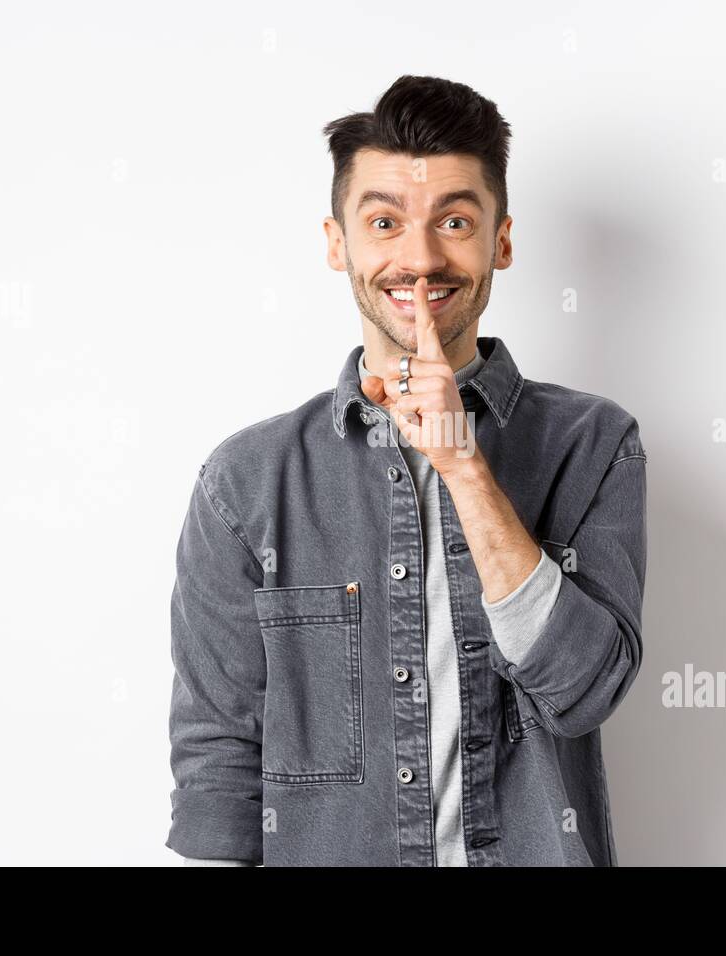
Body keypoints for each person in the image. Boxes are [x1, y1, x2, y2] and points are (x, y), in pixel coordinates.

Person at [166, 74, 647, 866]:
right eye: (384, 221)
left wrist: (464, 466)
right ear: (337, 243)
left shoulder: (593, 445)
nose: (419, 258)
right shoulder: (244, 482)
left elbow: (584, 692)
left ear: (502, 240)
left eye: (454, 220)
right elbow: (219, 763)